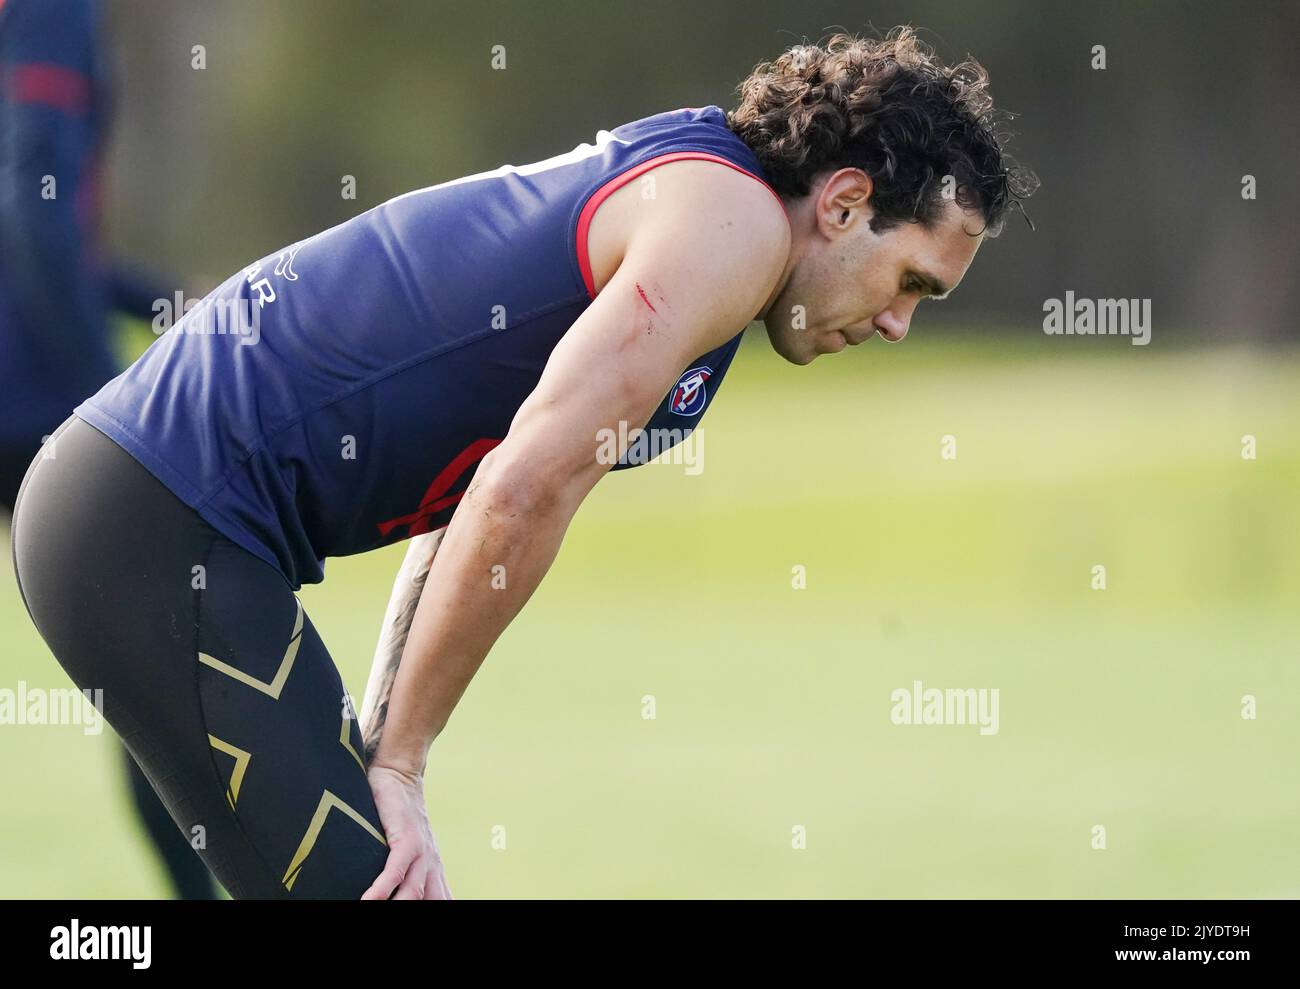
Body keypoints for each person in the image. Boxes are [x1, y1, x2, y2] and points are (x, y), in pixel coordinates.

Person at [10, 27, 1034, 899]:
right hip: (152, 520)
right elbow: (524, 490)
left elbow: (474, 495)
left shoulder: (711, 208)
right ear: (845, 201)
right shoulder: (732, 230)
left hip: (153, 519)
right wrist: (401, 764)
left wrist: (385, 743)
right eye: (911, 281)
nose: (899, 323)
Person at [0, 0, 217, 899]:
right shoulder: (50, 12)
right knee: (151, 671)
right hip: (32, 395)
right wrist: (105, 389)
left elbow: (50, 236)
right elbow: (29, 197)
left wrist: (169, 299)